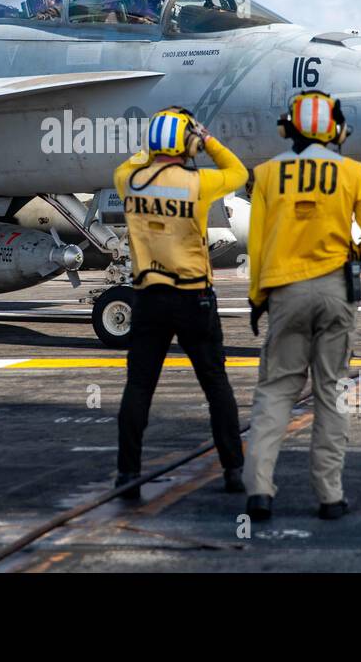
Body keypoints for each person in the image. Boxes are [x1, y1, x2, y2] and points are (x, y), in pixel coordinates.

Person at [243, 91, 361, 521]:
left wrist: (257, 299)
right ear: (336, 130)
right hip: (335, 290)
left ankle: (259, 493)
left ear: (287, 128)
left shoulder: (267, 174)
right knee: (331, 391)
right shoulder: (352, 171)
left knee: (274, 392)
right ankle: (329, 496)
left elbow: (258, 245)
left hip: (285, 293)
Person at [111, 107, 249, 500]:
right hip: (194, 298)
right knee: (216, 386)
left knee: (138, 388)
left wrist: (154, 143)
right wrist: (206, 139)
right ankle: (233, 470)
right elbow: (238, 172)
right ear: (186, 144)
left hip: (149, 298)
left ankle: (127, 476)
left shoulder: (130, 181)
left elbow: (132, 162)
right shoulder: (197, 182)